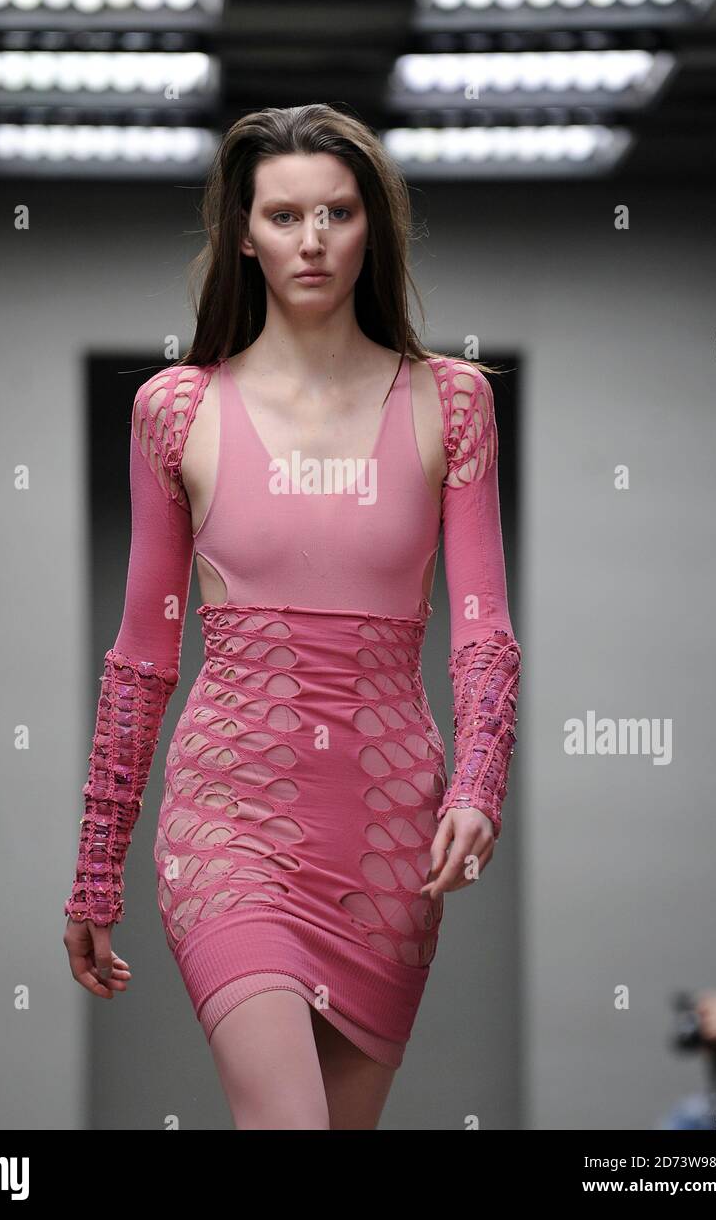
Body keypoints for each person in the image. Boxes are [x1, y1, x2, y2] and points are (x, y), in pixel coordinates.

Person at [62, 103, 522, 1130]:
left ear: (372, 228)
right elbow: (142, 658)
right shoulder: (175, 410)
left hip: (388, 825)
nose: (311, 240)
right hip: (226, 817)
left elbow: (484, 626)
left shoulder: (450, 402)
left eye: (338, 212)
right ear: (242, 231)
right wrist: (96, 871)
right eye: (282, 215)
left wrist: (480, 779)